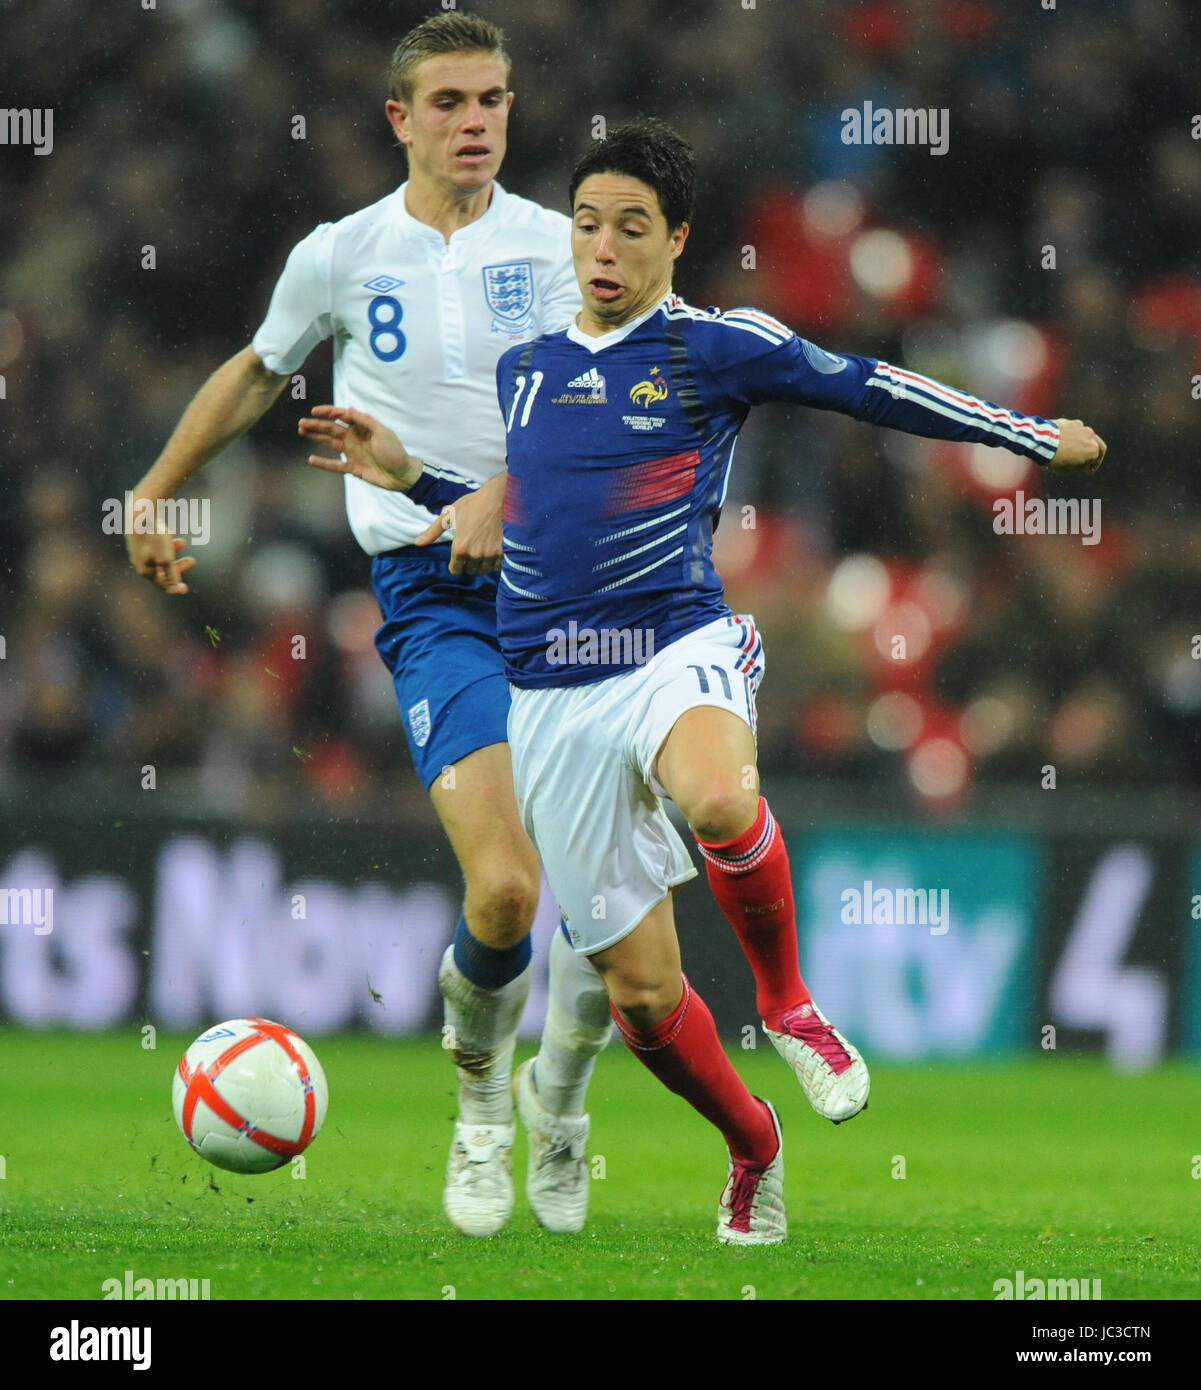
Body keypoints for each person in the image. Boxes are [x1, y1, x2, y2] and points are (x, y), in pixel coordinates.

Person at [304, 117, 1106, 1242]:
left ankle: (789, 1003)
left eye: (633, 228)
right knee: (638, 997)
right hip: (549, 693)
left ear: (675, 240)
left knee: (723, 798)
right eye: (588, 224)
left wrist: (1020, 435)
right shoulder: (531, 371)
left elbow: (866, 385)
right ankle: (753, 1144)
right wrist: (417, 474)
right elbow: (535, 508)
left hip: (675, 646)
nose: (604, 247)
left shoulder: (714, 347)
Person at [124, 12, 616, 1240]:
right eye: (449, 103)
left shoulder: (562, 251)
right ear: (400, 119)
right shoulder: (342, 253)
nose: (477, 124)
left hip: (583, 593)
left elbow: (627, 395)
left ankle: (561, 1100)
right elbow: (255, 368)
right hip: (433, 595)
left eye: (493, 101)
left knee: (614, 920)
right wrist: (155, 486)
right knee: (505, 891)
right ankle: (480, 1104)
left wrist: (515, 491)